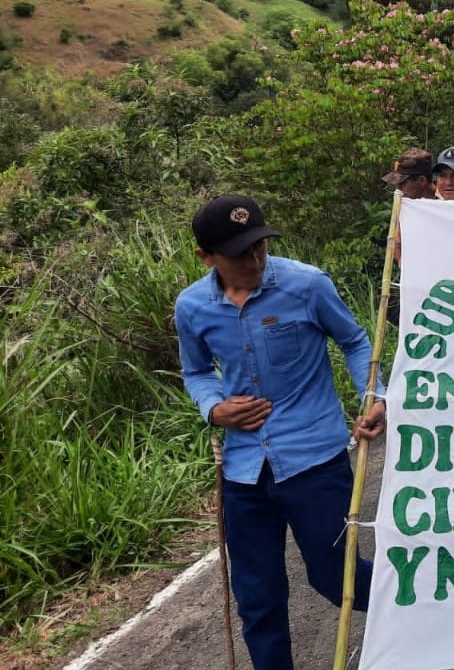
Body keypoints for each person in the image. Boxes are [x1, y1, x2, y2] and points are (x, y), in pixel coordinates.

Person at [175, 196, 385, 670]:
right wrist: (215, 409)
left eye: (260, 248)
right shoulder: (192, 307)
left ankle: (425, 617)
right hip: (244, 473)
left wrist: (374, 394)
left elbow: (353, 341)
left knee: (336, 577)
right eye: (239, 254)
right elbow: (197, 373)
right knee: (258, 598)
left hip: (315, 461)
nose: (254, 261)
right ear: (206, 257)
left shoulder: (306, 285)